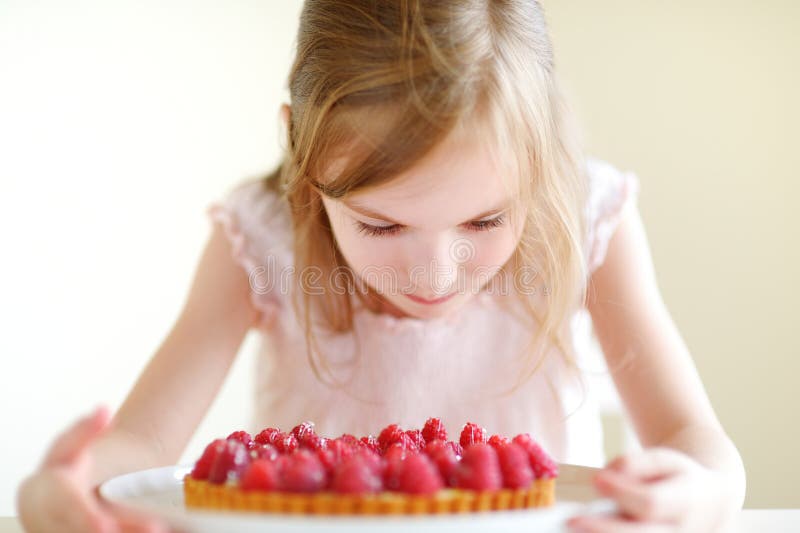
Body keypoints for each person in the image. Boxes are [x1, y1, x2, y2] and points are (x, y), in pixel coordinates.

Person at [16, 1, 746, 532]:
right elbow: (144, 447)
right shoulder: (259, 240)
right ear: (300, 149)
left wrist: (703, 493)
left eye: (485, 221)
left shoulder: (589, 224)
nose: (434, 273)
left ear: (543, 154)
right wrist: (70, 487)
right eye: (382, 224)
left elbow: (699, 445)